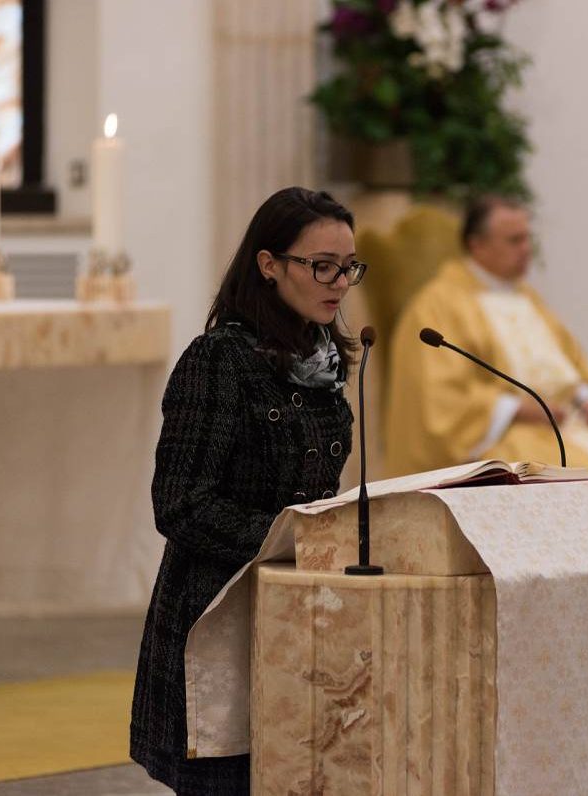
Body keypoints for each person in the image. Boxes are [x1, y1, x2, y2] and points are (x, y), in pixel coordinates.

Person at [130, 187, 365, 793]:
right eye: (322, 266)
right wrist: (291, 539)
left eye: (348, 268)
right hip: (216, 614)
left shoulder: (326, 369)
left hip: (296, 614)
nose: (339, 282)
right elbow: (179, 504)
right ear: (269, 264)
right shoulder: (219, 360)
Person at [384, 195, 588, 618]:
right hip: (505, 433)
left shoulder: (529, 300)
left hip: (564, 425)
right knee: (578, 483)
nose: (526, 249)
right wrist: (515, 409)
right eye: (514, 240)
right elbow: (438, 396)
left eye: (527, 239)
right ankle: (578, 612)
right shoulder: (437, 304)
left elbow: (568, 368)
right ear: (477, 244)